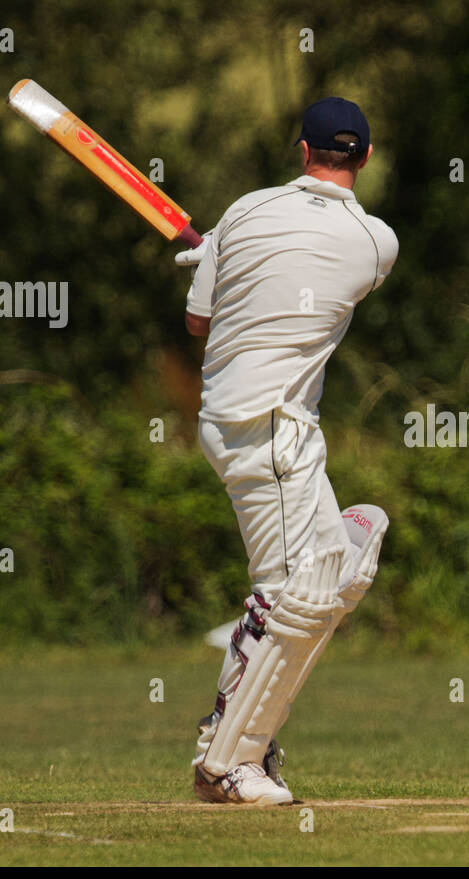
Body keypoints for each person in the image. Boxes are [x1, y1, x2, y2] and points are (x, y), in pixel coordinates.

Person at [176, 97, 398, 805]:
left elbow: (198, 322)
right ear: (363, 158)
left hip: (234, 422)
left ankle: (254, 747)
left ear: (301, 151)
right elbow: (313, 281)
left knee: (335, 580)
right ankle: (226, 763)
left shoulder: (240, 214)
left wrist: (212, 254)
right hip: (273, 426)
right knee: (288, 596)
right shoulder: (375, 242)